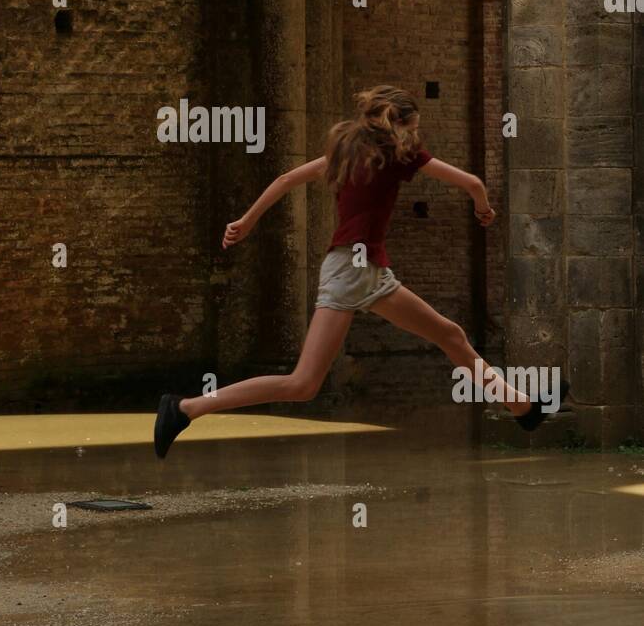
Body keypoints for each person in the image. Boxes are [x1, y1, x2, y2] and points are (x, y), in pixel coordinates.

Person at [155, 85, 566, 458]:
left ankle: (522, 407)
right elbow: (473, 182)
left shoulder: (345, 149)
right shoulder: (400, 153)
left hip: (367, 271)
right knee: (303, 384)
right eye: (415, 125)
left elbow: (284, 180)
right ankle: (186, 407)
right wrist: (483, 209)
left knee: (449, 334)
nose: (416, 134)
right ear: (400, 123)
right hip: (351, 272)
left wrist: (245, 222)